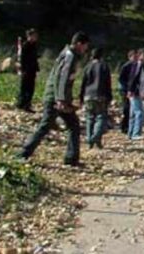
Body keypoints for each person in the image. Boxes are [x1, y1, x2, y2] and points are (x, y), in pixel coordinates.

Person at [18, 32, 90, 166]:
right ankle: (23, 152)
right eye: (85, 46)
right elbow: (61, 78)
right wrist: (61, 100)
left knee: (73, 125)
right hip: (55, 99)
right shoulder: (69, 56)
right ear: (79, 44)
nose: (86, 50)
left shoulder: (70, 55)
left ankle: (71, 159)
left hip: (59, 98)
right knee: (45, 126)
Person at [79, 48, 112, 149]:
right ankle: (95, 137)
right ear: (101, 56)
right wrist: (109, 96)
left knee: (90, 117)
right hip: (101, 95)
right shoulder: (104, 66)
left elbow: (83, 83)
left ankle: (91, 140)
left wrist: (81, 96)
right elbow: (108, 83)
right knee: (101, 117)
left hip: (88, 95)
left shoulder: (88, 66)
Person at [15, 29, 40, 113]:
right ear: (29, 36)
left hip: (32, 69)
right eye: (34, 35)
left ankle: (26, 103)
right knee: (25, 87)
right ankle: (23, 104)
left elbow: (35, 58)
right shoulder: (25, 45)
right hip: (26, 70)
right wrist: (21, 69)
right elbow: (21, 58)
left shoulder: (34, 45)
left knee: (30, 88)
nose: (36, 37)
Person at [127, 49, 144, 140]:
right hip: (135, 92)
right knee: (139, 113)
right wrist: (130, 90)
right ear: (140, 55)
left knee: (133, 114)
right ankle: (136, 133)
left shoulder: (141, 66)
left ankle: (130, 133)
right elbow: (133, 78)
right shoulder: (138, 65)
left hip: (137, 92)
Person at [118, 50, 137, 134]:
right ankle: (123, 126)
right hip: (125, 90)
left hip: (132, 90)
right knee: (126, 108)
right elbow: (121, 79)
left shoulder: (136, 66)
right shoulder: (126, 66)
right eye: (134, 57)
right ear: (130, 57)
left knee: (131, 108)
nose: (136, 58)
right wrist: (126, 89)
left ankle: (128, 126)